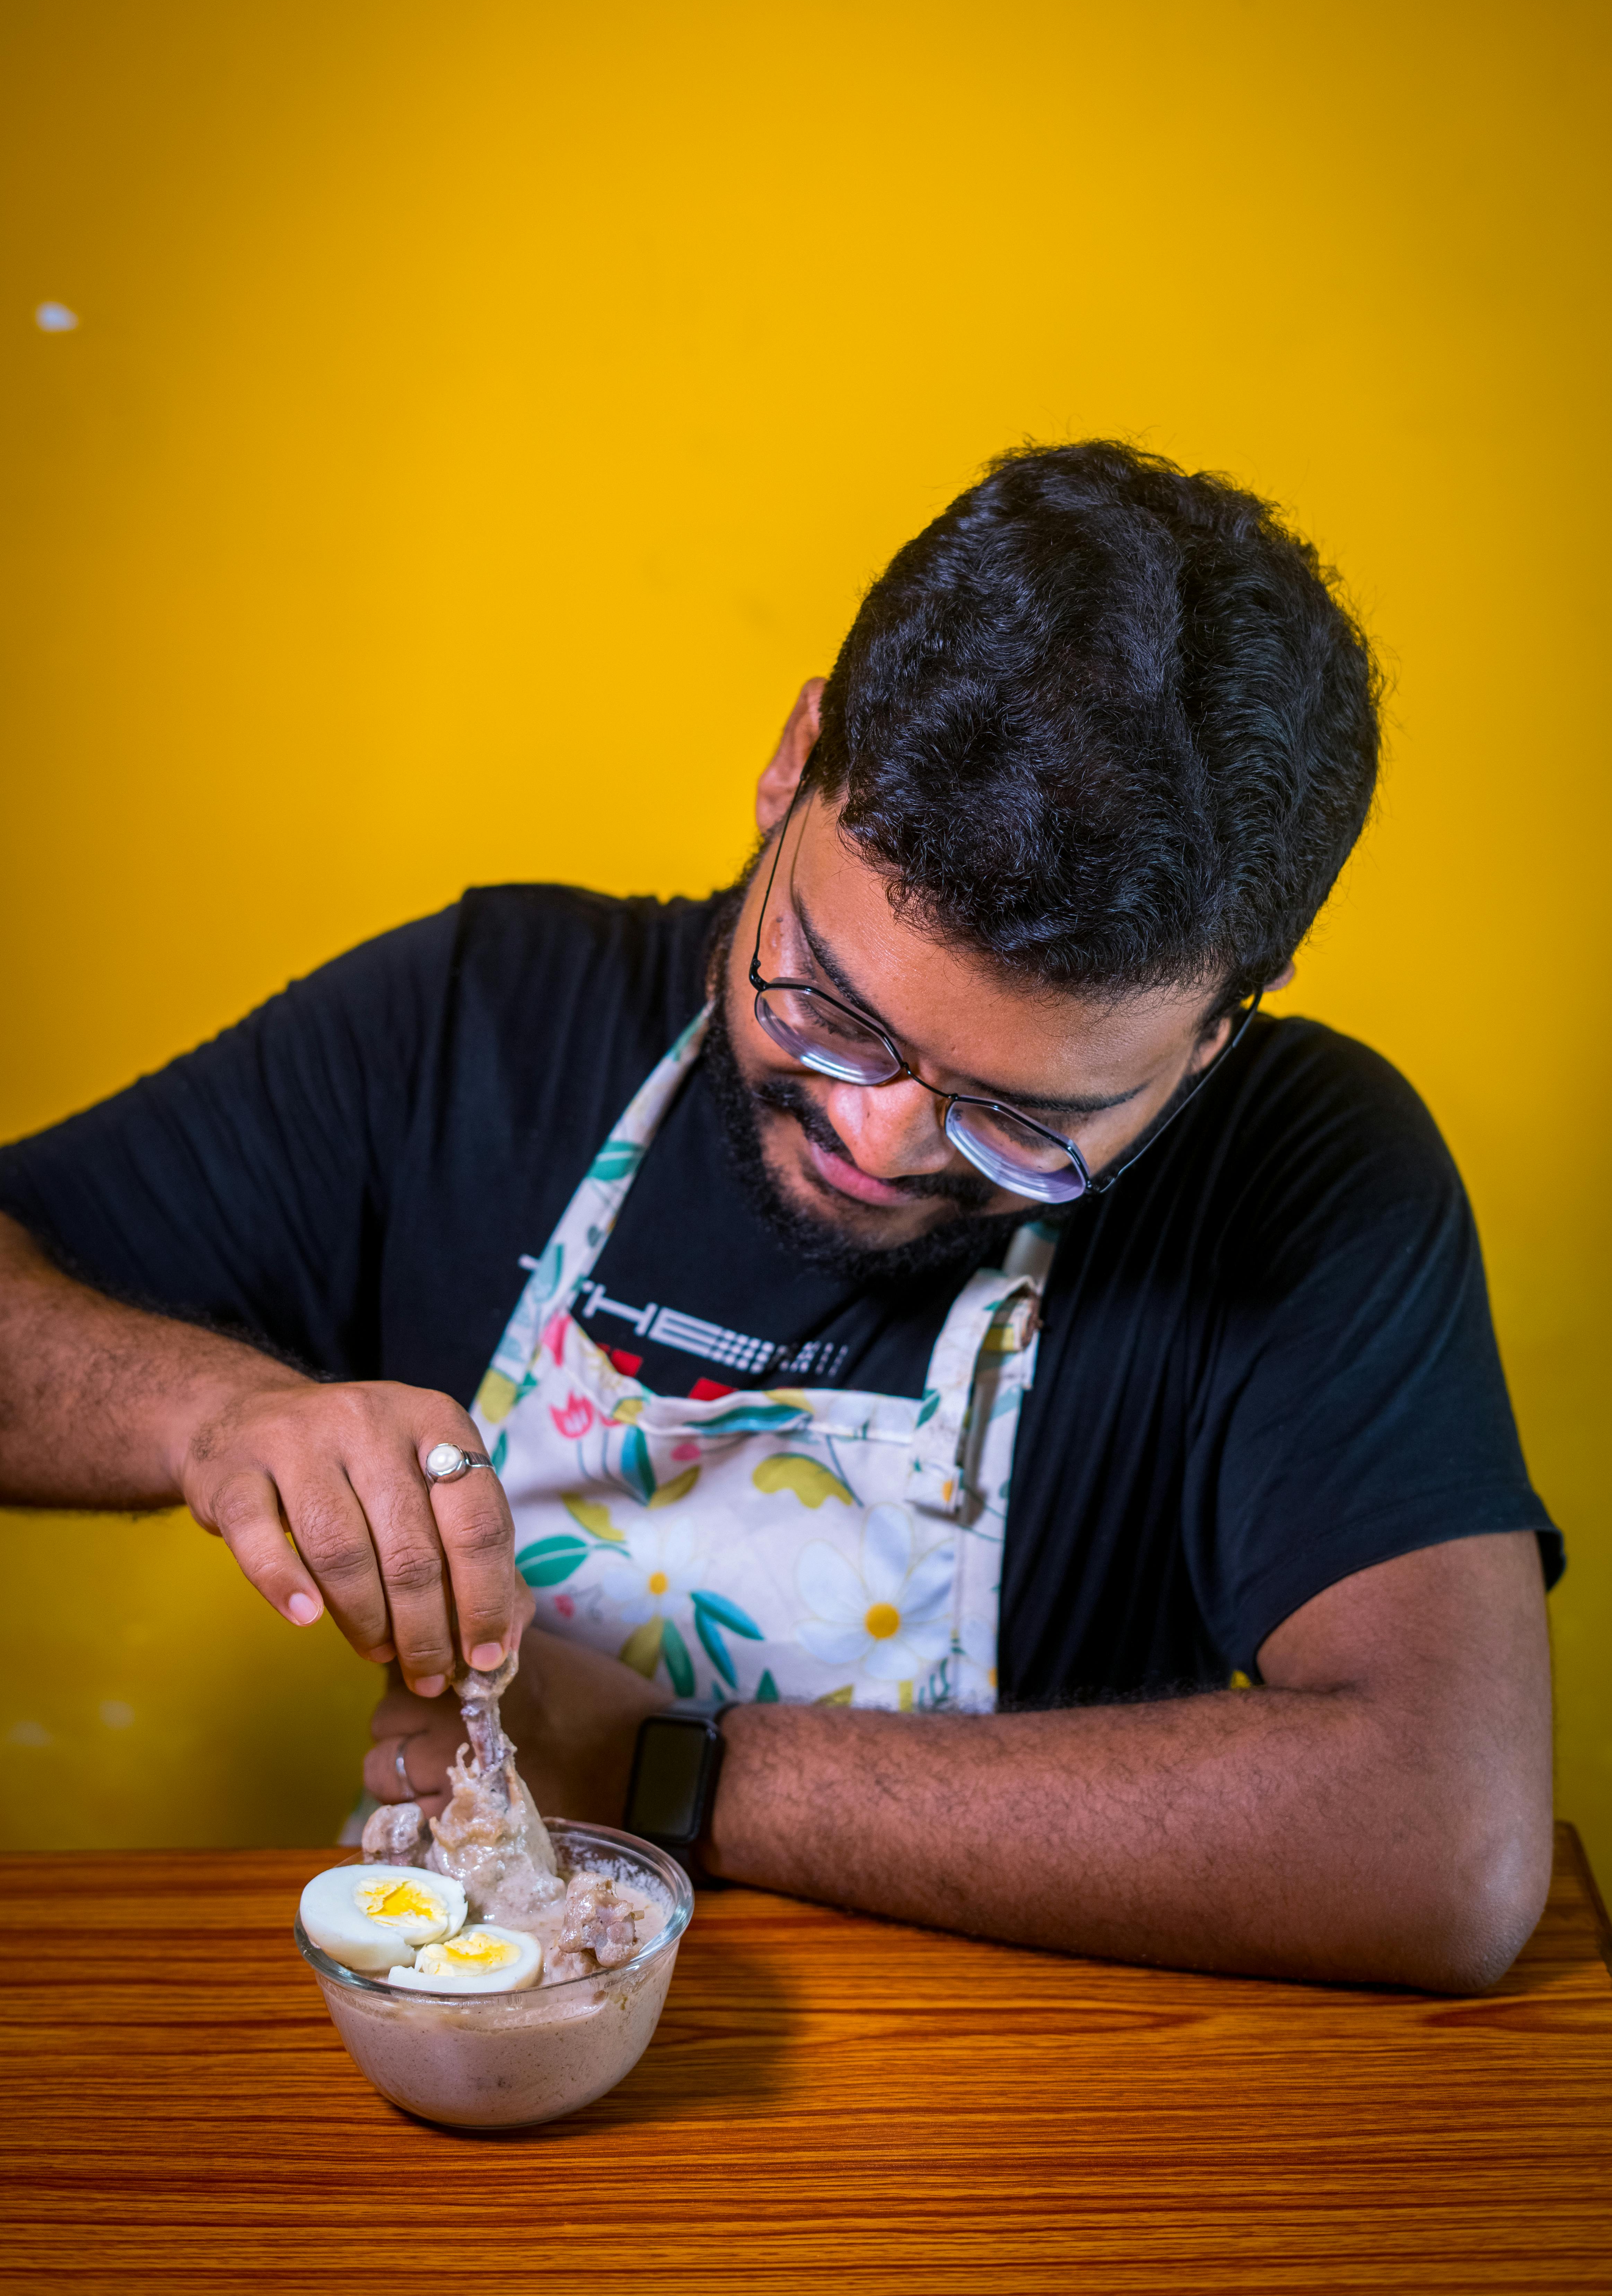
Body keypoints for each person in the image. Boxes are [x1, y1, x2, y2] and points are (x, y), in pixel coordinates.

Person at [0, 441, 1559, 1993]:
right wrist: (211, 1417)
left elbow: (1440, 1849)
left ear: (1211, 1036)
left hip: (1025, 2117)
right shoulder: (485, 1024)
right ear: (793, 763)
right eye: (827, 1006)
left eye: (1022, 1118)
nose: (878, 1136)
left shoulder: (1296, 1170)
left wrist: (672, 1770)